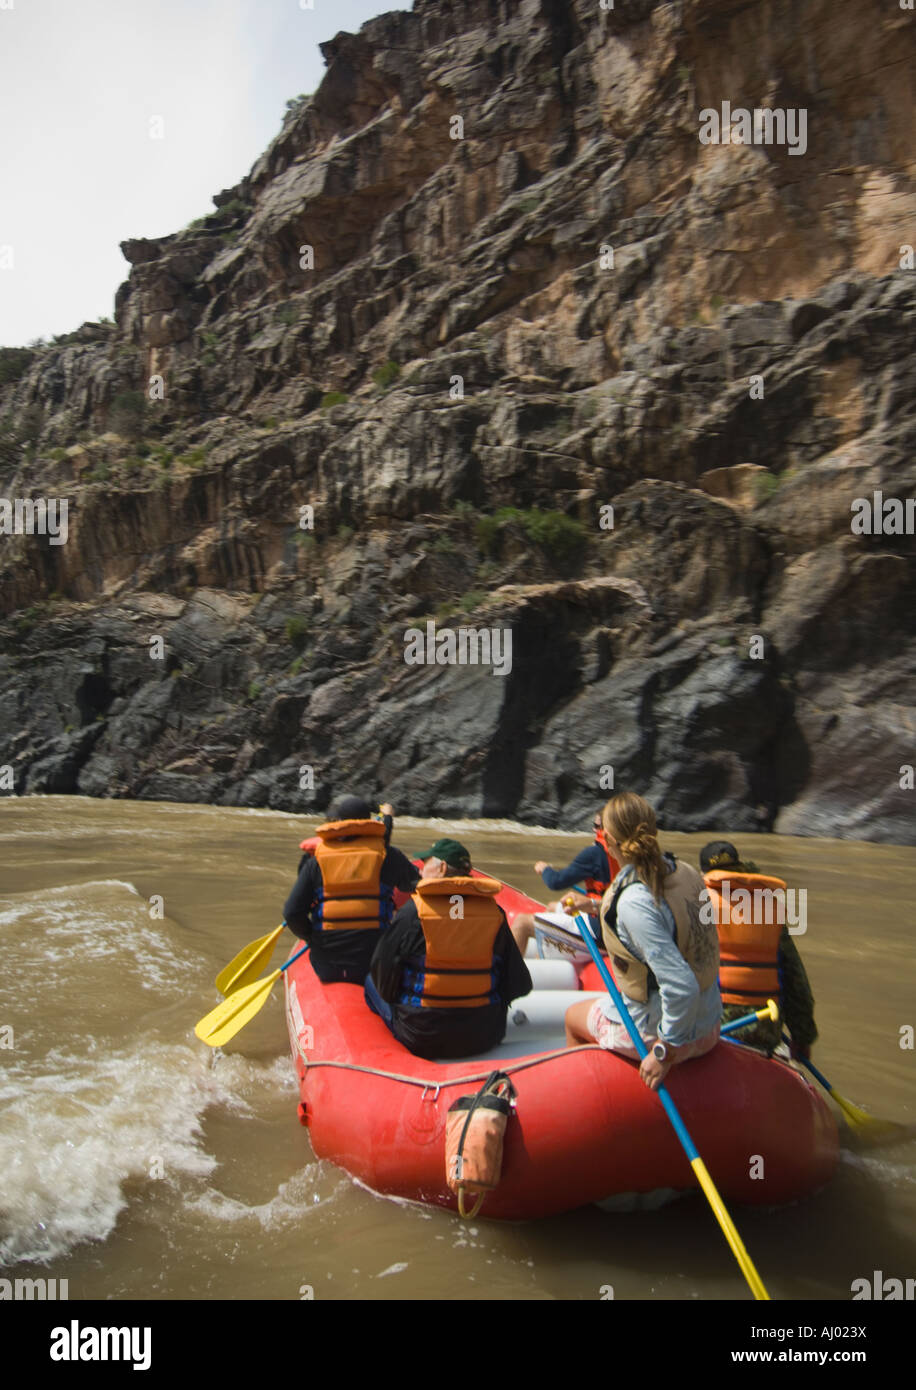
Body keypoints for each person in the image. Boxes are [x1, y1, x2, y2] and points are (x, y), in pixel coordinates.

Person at [565, 792, 721, 1091]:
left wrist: (664, 1052)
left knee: (573, 1017)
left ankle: (586, 1096)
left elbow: (682, 986)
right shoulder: (685, 871)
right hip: (710, 1025)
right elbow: (664, 916)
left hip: (666, 1037)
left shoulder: (634, 901)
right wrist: (595, 907)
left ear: (607, 840)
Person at [364, 837, 532, 1060]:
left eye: (426, 865)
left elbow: (382, 971)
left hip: (423, 1035)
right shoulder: (495, 913)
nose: (421, 873)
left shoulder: (413, 912)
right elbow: (519, 984)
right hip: (484, 1034)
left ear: (442, 868)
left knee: (368, 981)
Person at [699, 840, 817, 1059]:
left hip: (713, 1028)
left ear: (705, 872)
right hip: (765, 1031)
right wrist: (803, 1038)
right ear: (741, 867)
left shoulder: (698, 903)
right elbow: (797, 983)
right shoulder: (771, 907)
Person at [283, 795, 419, 984]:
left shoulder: (314, 862)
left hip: (328, 965)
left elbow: (292, 913)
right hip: (373, 963)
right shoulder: (389, 856)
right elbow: (415, 885)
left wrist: (312, 938)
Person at [510, 810, 621, 955]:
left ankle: (506, 977)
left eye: (596, 825)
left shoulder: (594, 853)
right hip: (608, 920)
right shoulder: (627, 853)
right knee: (551, 907)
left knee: (521, 923)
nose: (594, 829)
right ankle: (542, 960)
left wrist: (545, 869)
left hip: (601, 931)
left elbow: (556, 882)